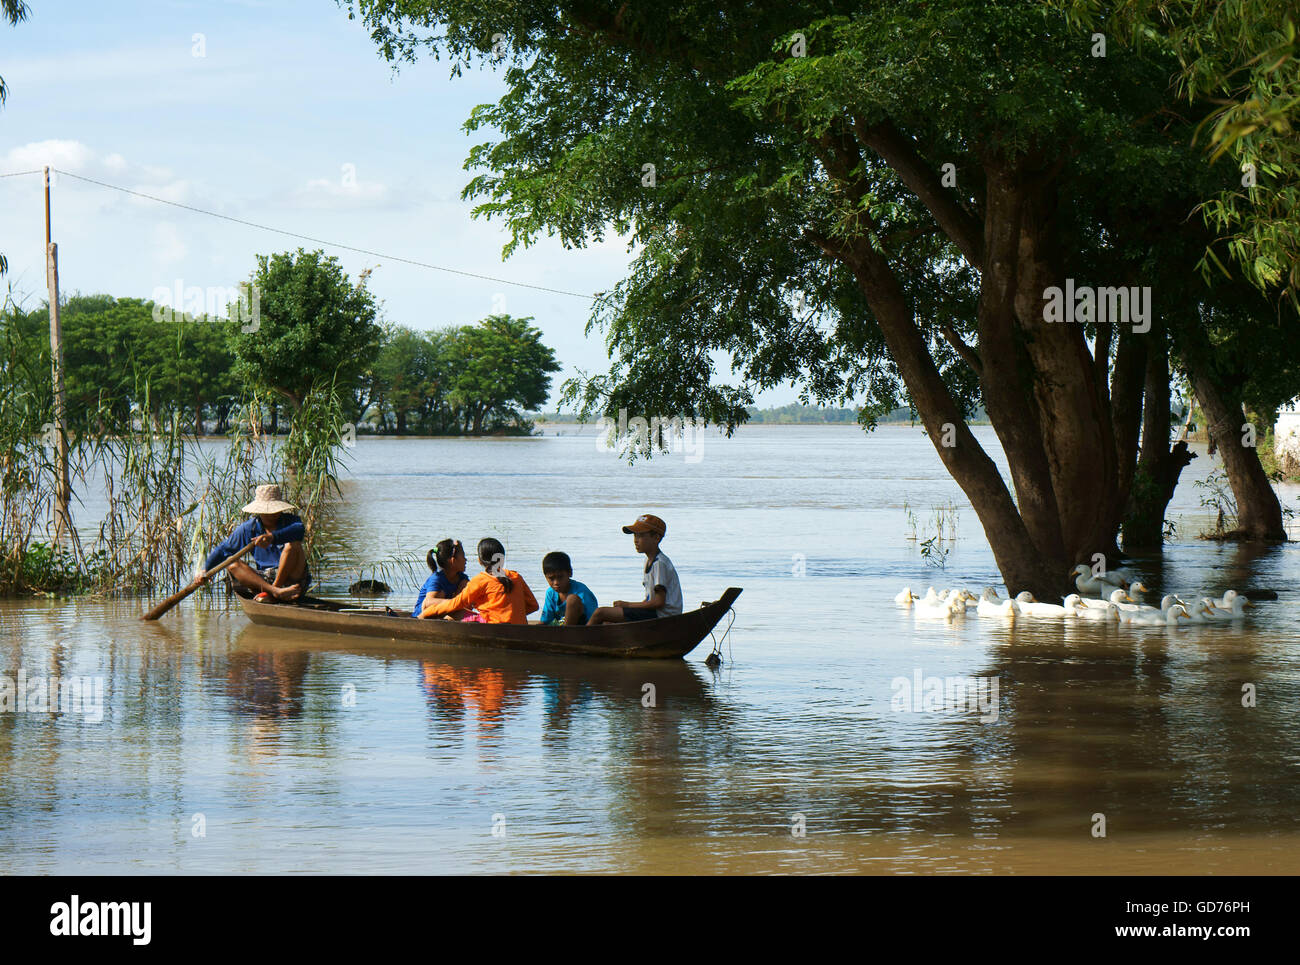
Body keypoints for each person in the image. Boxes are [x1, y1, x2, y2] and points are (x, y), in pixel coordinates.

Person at [197, 484, 309, 601]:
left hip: (293, 579)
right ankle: (275, 591)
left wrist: (272, 537)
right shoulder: (249, 528)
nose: (273, 514)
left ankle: (274, 592)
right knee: (231, 563)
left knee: (292, 545)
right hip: (266, 579)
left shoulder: (291, 521)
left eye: (275, 510)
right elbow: (224, 549)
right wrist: (206, 570)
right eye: (268, 511)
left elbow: (299, 530)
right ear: (259, 511)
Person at [587, 514, 682, 624]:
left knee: (600, 613)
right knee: (608, 622)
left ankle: (580, 638)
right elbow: (649, 600)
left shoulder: (659, 563)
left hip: (663, 615)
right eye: (635, 536)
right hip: (655, 613)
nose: (636, 540)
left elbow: (659, 602)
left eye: (640, 535)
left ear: (656, 538)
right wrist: (631, 608)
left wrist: (627, 605)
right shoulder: (648, 560)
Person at [419, 537, 539, 624]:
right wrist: (513, 615)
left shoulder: (481, 580)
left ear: (480, 561)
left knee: (455, 612)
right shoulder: (516, 576)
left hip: (494, 628)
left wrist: (426, 613)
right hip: (519, 627)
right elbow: (533, 606)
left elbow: (455, 604)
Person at [537, 551, 599, 626]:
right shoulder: (550, 593)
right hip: (561, 629)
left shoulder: (582, 592)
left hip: (581, 630)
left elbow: (594, 620)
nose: (556, 582)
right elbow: (545, 620)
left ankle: (566, 633)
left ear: (570, 573)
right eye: (551, 578)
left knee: (572, 599)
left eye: (560, 577)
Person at [413, 539, 470, 617]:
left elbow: (466, 604)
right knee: (441, 594)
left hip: (444, 615)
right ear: (453, 561)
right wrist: (455, 602)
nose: (466, 560)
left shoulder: (463, 579)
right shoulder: (437, 578)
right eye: (463, 556)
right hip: (422, 616)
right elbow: (428, 602)